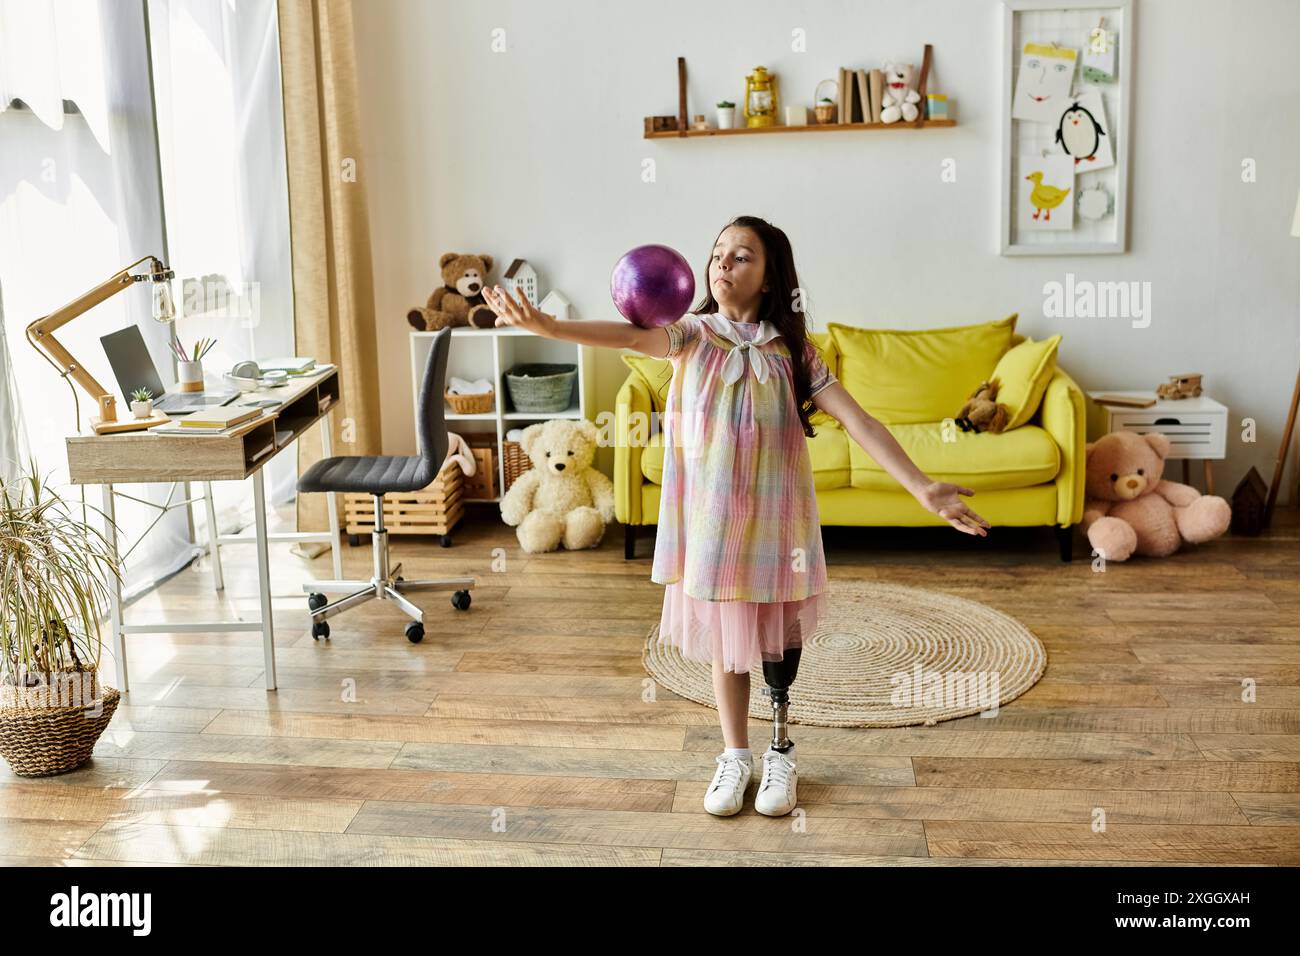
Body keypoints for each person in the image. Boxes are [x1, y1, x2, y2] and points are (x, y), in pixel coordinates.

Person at [482, 215, 989, 818]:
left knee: (777, 642)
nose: (723, 262)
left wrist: (923, 486)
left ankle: (780, 748)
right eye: (718, 252)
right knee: (729, 639)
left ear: (771, 277)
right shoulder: (691, 335)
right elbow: (624, 337)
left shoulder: (794, 352)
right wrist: (547, 325)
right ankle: (735, 754)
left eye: (742, 255)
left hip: (779, 526)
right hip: (714, 524)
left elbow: (861, 422)